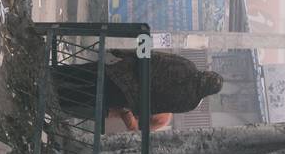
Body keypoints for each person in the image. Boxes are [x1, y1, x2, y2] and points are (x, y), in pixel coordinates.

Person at [49, 49, 223, 122]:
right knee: (88, 97)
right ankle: (51, 101)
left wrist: (122, 53)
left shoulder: (188, 67)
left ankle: (48, 75)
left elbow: (153, 57)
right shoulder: (191, 103)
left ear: (206, 74)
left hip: (124, 73)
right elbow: (159, 105)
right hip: (129, 98)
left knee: (83, 74)